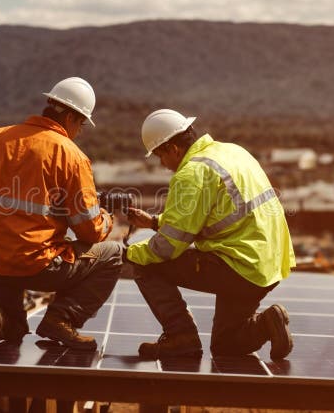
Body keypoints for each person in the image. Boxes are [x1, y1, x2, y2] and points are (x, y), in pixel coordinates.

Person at [0, 77, 123, 352]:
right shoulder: (70, 155)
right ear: (70, 116)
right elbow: (89, 230)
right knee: (113, 253)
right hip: (32, 264)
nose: (79, 132)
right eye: (81, 124)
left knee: (13, 333)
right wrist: (107, 217)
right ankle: (61, 319)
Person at [125, 109, 296, 360]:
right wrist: (154, 222)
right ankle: (268, 323)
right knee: (226, 346)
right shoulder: (232, 151)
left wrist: (127, 253)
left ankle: (180, 338)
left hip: (239, 265)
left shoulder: (191, 173)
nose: (163, 165)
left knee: (145, 264)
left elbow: (168, 248)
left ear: (172, 148)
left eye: (160, 156)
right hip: (267, 264)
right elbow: (214, 216)